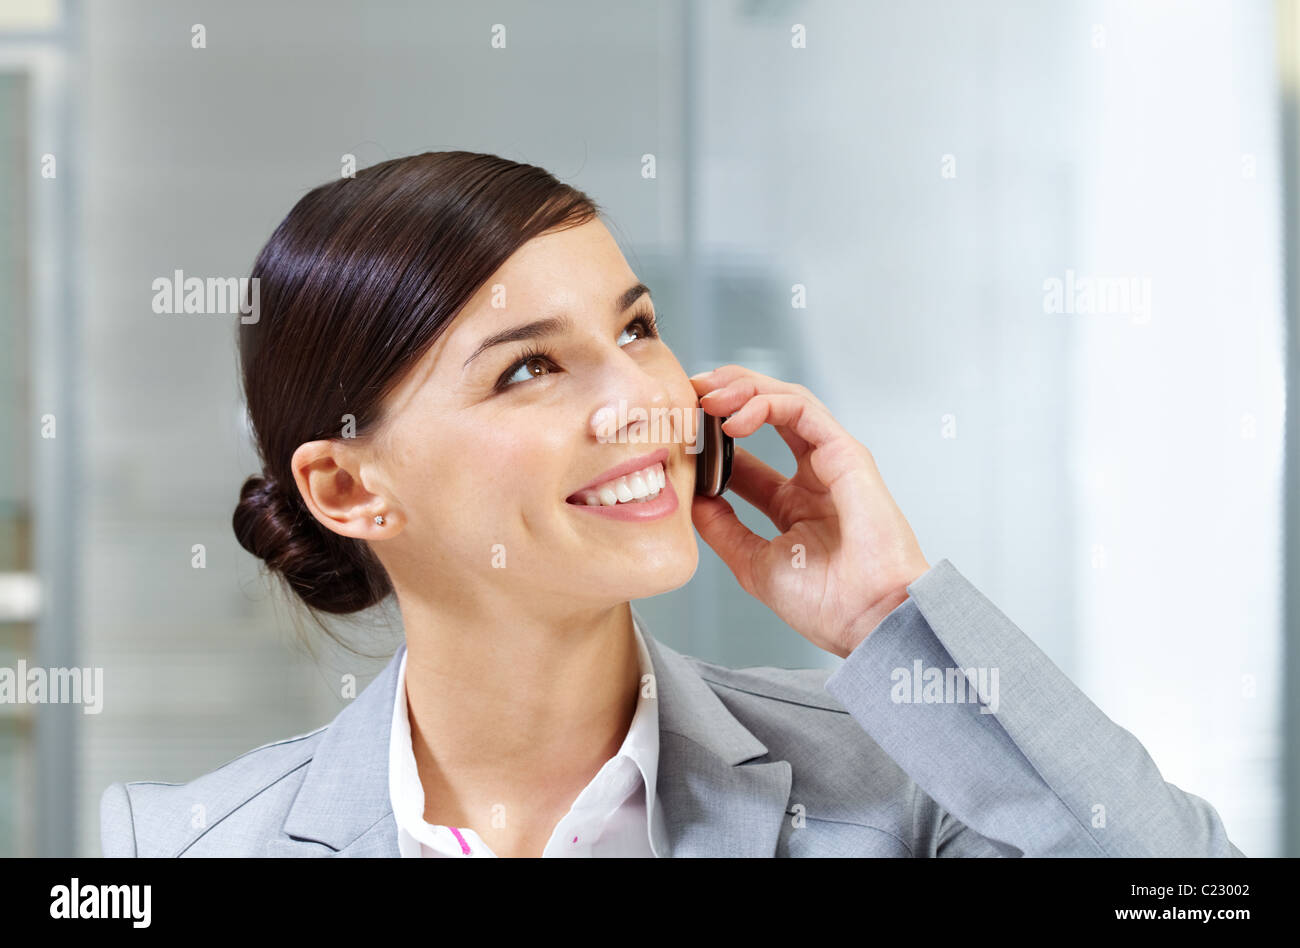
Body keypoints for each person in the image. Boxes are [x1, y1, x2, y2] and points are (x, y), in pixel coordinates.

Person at [99, 151, 1244, 857]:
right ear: (351, 485)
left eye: (635, 330)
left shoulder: (901, 780)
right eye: (528, 368)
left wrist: (891, 612)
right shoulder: (185, 847)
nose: (645, 402)